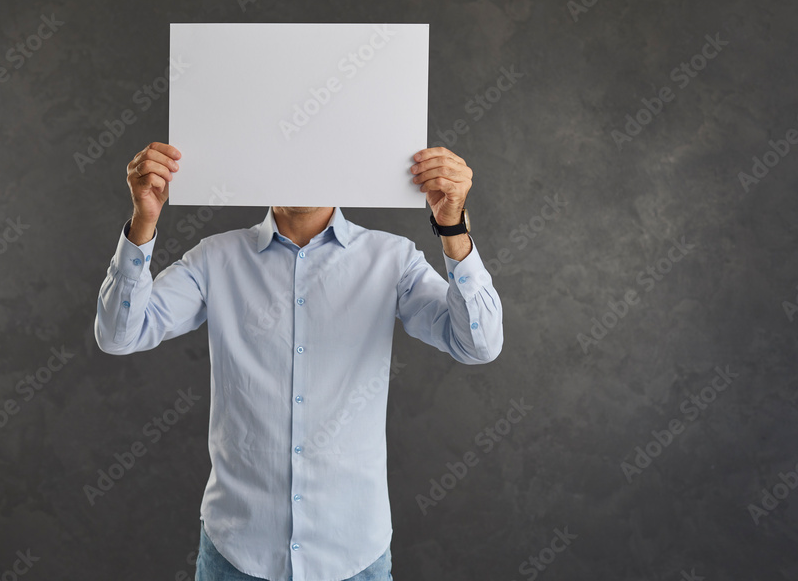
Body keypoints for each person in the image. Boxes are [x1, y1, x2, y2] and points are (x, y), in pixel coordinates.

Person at [94, 142, 504, 581]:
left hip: (353, 555)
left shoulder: (392, 259)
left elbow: (477, 344)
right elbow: (121, 335)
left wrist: (452, 228)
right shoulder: (216, 258)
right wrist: (144, 222)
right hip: (236, 553)